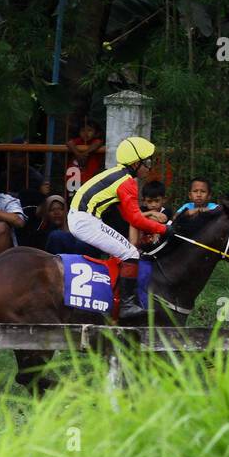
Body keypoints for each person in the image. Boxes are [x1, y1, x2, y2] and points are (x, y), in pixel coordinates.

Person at [68, 137, 169, 320]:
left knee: (125, 250)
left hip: (81, 217)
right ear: (136, 163)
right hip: (84, 220)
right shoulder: (127, 182)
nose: (150, 166)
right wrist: (164, 230)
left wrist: (150, 218)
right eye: (147, 162)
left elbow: (128, 214)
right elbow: (135, 219)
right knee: (131, 253)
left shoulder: (118, 174)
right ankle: (127, 305)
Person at [65, 119, 104, 193]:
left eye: (89, 130)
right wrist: (78, 154)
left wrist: (85, 153)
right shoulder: (79, 141)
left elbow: (98, 142)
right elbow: (69, 143)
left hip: (89, 180)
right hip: (73, 180)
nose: (86, 133)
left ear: (96, 133)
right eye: (83, 130)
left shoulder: (95, 141)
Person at [130, 181, 171, 248]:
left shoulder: (167, 211)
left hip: (159, 239)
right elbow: (133, 217)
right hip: (142, 238)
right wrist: (151, 213)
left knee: (155, 222)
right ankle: (133, 247)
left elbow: (162, 219)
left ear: (164, 199)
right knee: (133, 223)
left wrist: (144, 216)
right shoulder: (143, 209)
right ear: (144, 201)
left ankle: (155, 244)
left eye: (157, 201)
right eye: (149, 201)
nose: (153, 205)